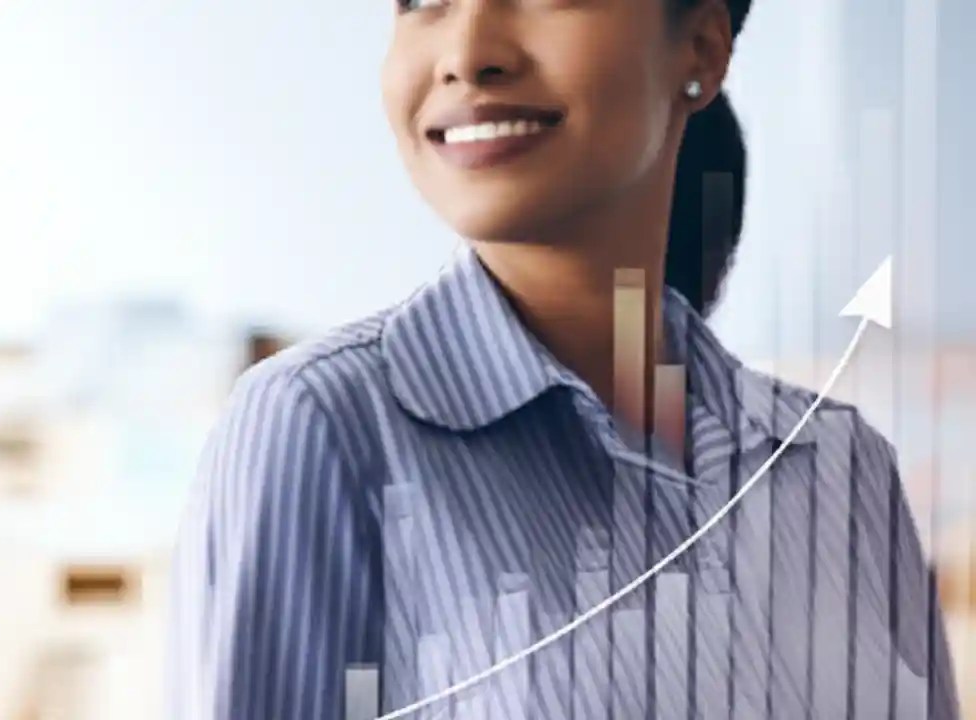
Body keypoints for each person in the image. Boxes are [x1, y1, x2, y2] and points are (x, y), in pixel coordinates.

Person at [167, 0, 960, 717]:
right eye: (421, 1)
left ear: (702, 47)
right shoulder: (322, 429)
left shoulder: (839, 470)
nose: (468, 50)